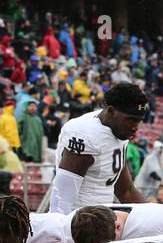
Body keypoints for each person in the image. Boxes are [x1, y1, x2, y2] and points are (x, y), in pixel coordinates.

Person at [48, 82, 148, 212]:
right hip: (77, 221)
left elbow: (126, 191)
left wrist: (152, 216)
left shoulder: (117, 130)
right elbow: (61, 201)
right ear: (111, 111)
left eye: (138, 121)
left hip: (102, 218)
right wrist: (64, 230)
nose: (135, 127)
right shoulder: (85, 134)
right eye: (131, 120)